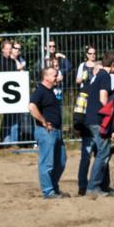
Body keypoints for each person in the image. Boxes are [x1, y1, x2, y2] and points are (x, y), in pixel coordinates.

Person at [77, 51, 114, 196]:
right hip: (98, 120)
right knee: (103, 152)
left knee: (101, 152)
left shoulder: (97, 76)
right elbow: (103, 99)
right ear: (113, 64)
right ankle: (93, 187)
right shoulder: (105, 76)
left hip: (90, 119)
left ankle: (101, 186)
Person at [29, 65, 68, 198]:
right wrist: (43, 121)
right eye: (54, 75)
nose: (57, 77)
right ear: (46, 77)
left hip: (56, 132)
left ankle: (54, 187)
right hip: (46, 132)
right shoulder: (40, 91)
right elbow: (31, 106)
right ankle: (48, 191)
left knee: (61, 161)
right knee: (47, 163)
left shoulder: (50, 90)